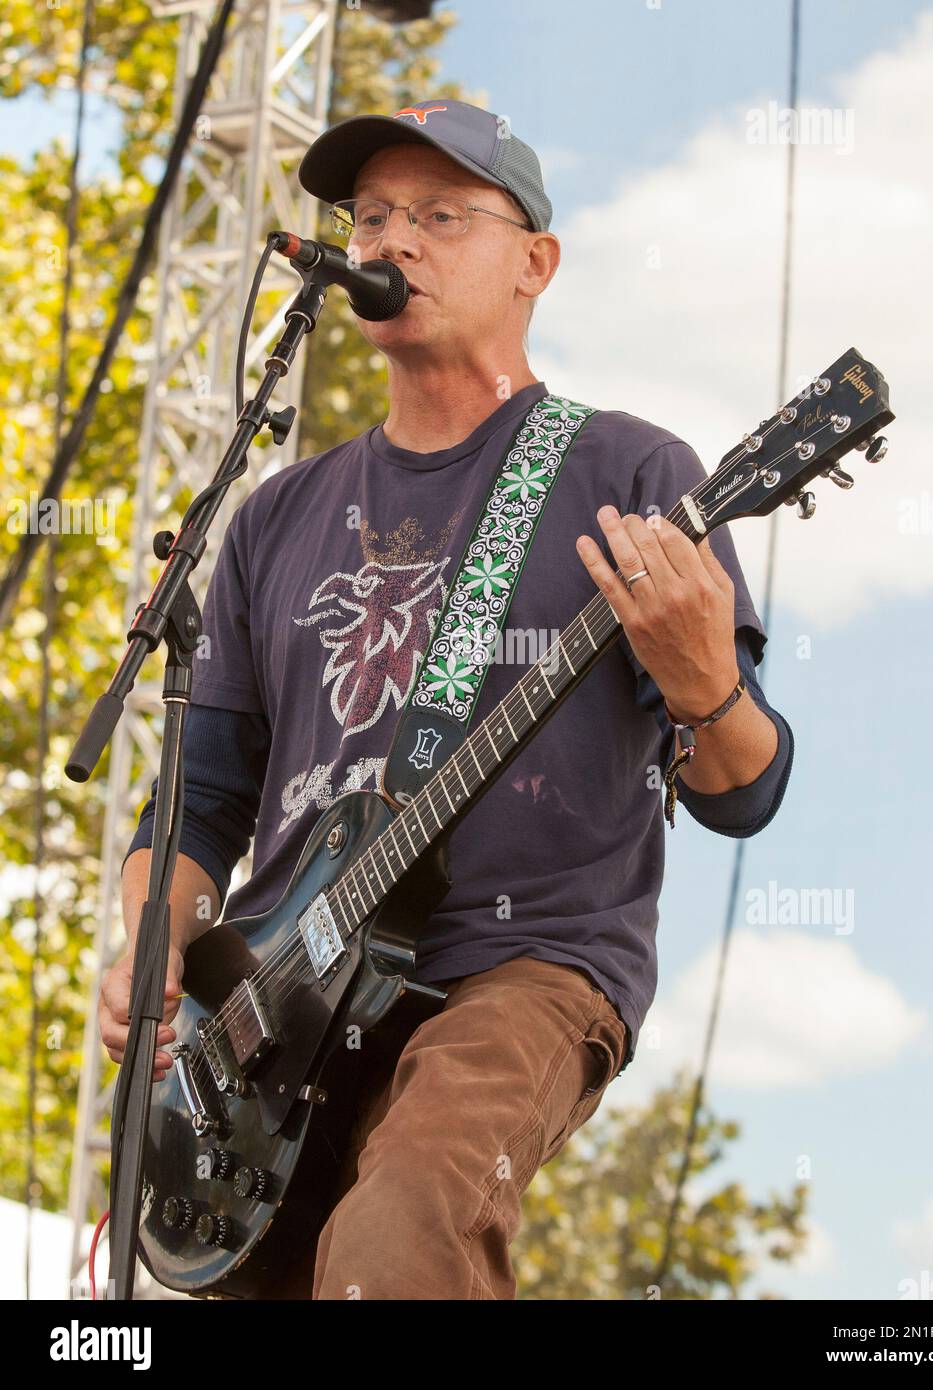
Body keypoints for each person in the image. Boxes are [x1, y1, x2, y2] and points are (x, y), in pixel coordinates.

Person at [99, 99, 794, 1300]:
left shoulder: (627, 473)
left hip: (522, 960)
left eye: (439, 215)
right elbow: (201, 801)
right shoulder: (273, 514)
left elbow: (747, 789)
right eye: (370, 215)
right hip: (283, 993)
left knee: (409, 1218)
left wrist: (705, 680)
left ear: (536, 263)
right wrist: (155, 931)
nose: (393, 242)